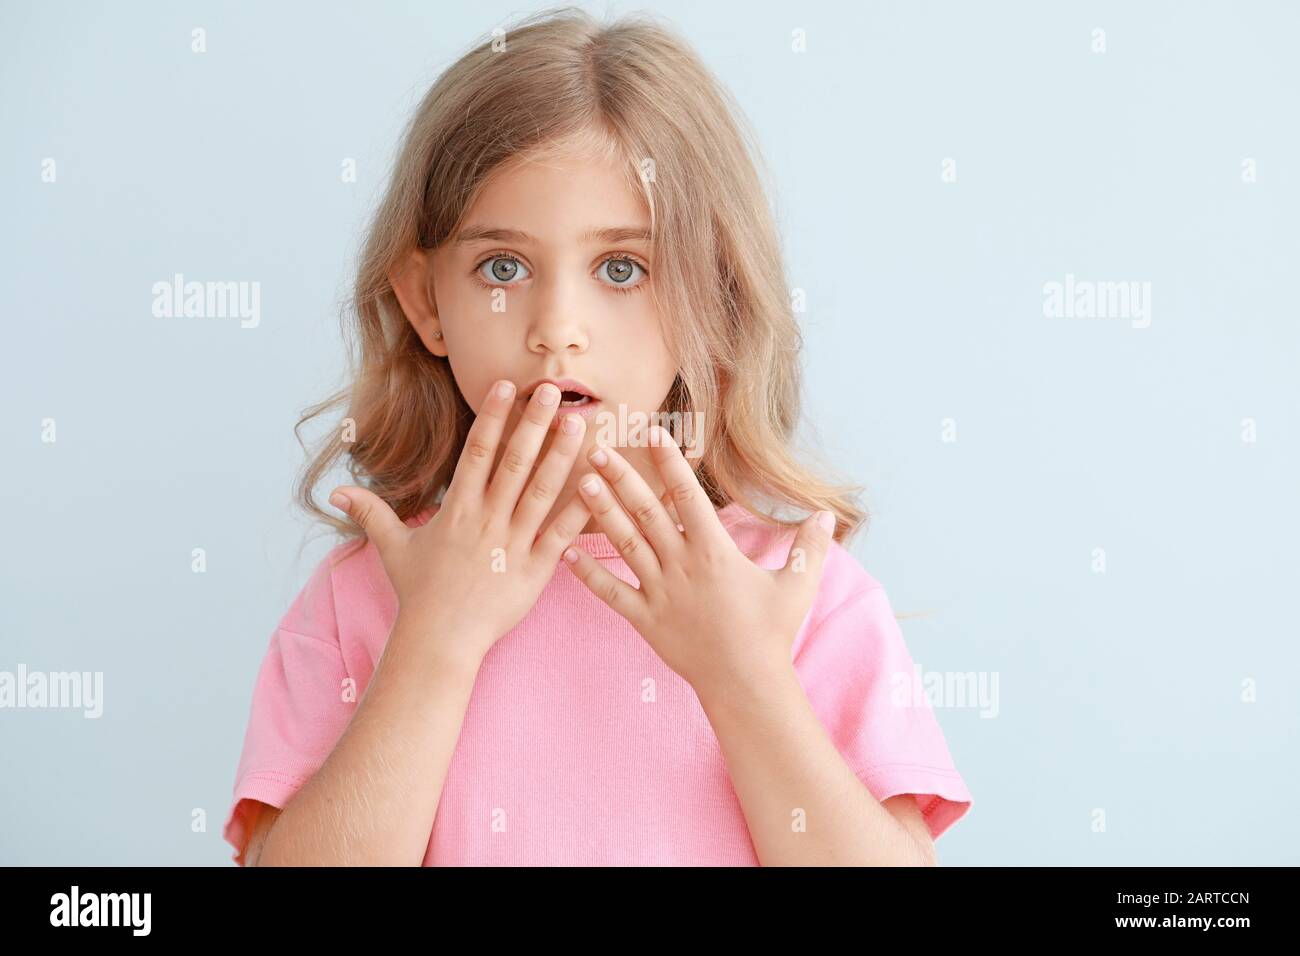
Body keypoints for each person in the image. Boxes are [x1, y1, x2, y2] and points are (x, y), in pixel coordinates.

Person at [223, 5, 972, 866]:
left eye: (623, 268)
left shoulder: (796, 596)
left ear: (713, 300)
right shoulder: (367, 597)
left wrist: (742, 678)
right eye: (502, 268)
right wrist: (435, 640)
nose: (558, 328)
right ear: (427, 301)